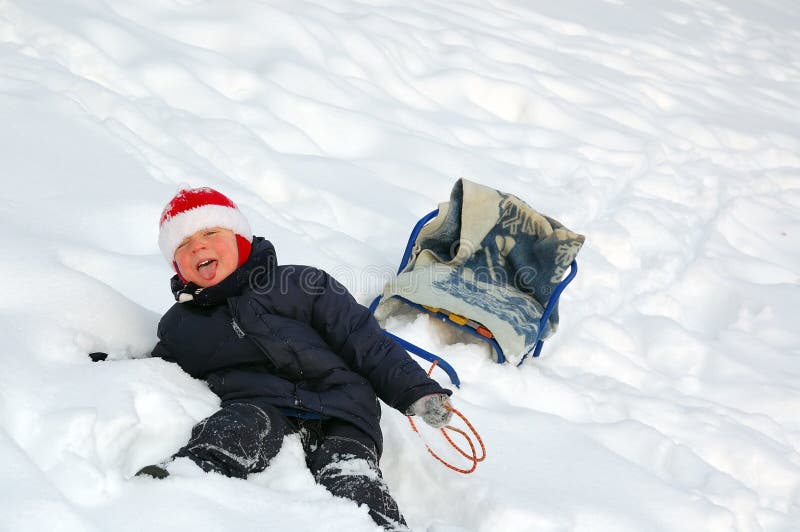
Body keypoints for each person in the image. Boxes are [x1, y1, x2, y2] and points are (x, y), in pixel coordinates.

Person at [136, 186, 454, 531]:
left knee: (352, 475)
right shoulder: (181, 326)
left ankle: (382, 526)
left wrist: (416, 391)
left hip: (342, 407)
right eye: (183, 244)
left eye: (211, 232)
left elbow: (364, 340)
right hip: (260, 405)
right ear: (178, 267)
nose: (198, 246)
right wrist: (108, 364)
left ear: (240, 239)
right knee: (230, 430)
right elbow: (159, 368)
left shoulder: (300, 283)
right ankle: (182, 479)